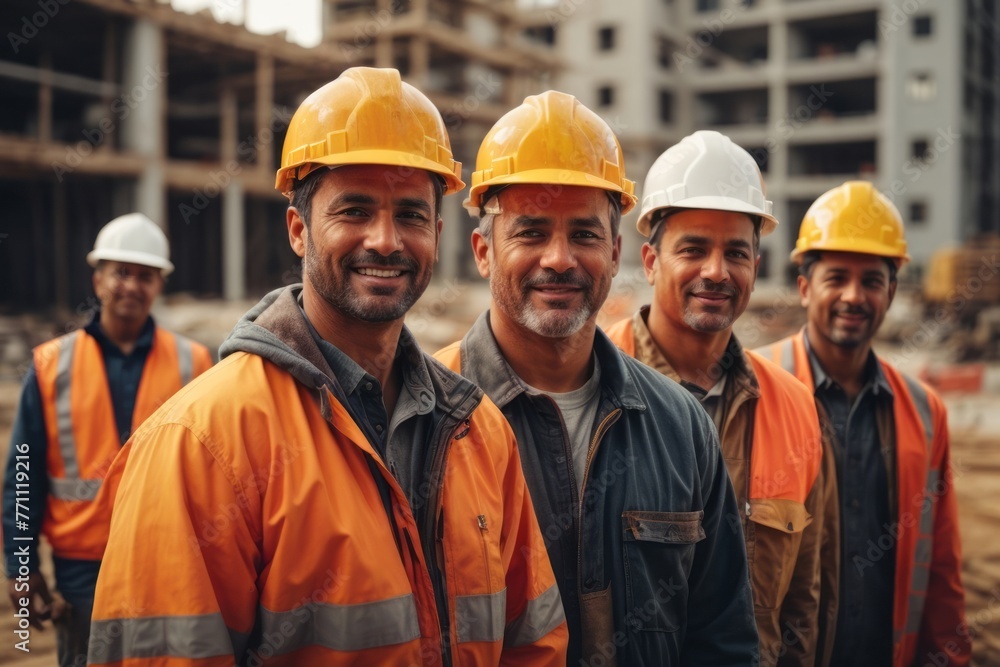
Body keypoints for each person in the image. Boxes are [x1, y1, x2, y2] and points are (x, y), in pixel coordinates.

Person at [87, 67, 567, 666]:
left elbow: (536, 645)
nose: (386, 240)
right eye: (355, 211)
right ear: (298, 229)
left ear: (439, 234)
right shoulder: (202, 443)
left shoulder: (480, 431)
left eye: (412, 215)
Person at [436, 92, 758, 666]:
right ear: (483, 251)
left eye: (584, 235)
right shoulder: (427, 418)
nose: (559, 258)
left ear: (614, 253)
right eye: (531, 233)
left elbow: (722, 638)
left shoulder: (680, 426)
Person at [604, 130, 839, 666]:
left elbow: (804, 605)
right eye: (693, 248)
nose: (716, 271)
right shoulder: (592, 384)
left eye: (736, 251)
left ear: (756, 265)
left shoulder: (796, 408)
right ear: (649, 259)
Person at [759, 181, 969, 667]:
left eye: (872, 281)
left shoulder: (924, 411)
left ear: (892, 291)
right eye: (837, 278)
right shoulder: (756, 389)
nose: (854, 296)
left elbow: (941, 570)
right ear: (805, 286)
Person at [2, 212, 212, 667]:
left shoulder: (194, 365)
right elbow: (23, 473)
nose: (132, 286)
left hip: (166, 560)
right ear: (98, 279)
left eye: (145, 276)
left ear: (159, 285)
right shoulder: (50, 365)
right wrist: (22, 568)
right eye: (121, 272)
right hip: (81, 568)